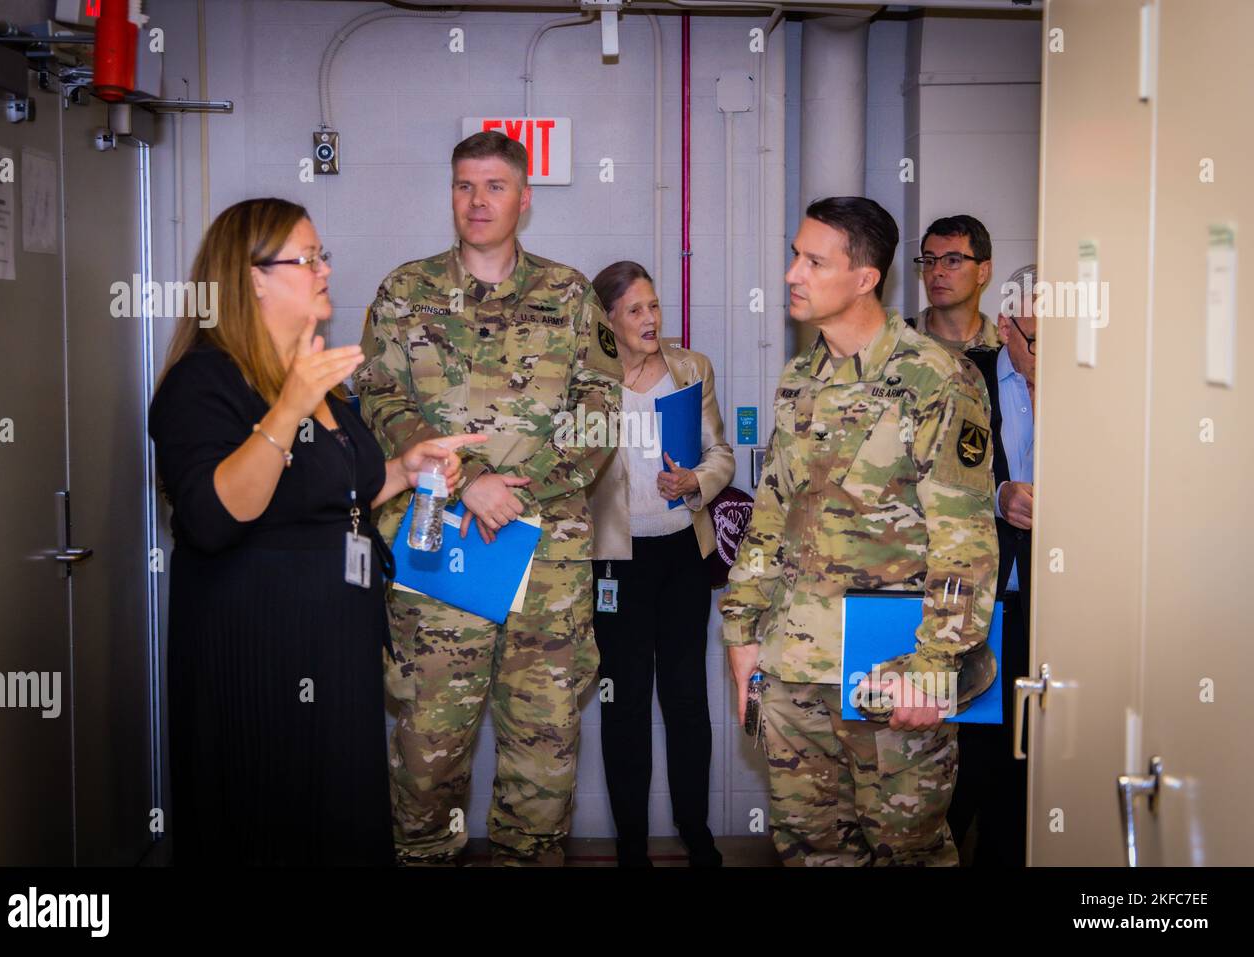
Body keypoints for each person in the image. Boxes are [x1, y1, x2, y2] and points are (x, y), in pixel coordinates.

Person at [149, 197, 480, 865]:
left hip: (336, 653)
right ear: (251, 278)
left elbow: (334, 496)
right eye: (307, 257)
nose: (324, 268)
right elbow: (213, 517)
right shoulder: (205, 381)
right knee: (268, 822)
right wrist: (290, 406)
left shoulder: (310, 382)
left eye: (322, 254)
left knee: (340, 820)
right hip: (257, 657)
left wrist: (404, 469)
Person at [355, 131, 623, 866]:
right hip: (441, 560)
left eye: (495, 186)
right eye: (464, 186)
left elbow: (600, 415)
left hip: (547, 569)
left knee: (542, 767)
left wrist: (518, 492)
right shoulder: (403, 293)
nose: (478, 201)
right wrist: (469, 476)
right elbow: (376, 396)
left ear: (525, 198)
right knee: (426, 759)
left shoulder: (571, 297)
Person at [720, 196, 1000, 867]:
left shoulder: (935, 378)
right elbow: (769, 518)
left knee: (910, 852)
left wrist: (934, 668)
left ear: (865, 278)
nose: (793, 272)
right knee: (812, 852)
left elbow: (965, 541)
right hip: (792, 672)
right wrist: (740, 635)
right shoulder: (799, 380)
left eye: (814, 260)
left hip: (890, 672)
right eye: (795, 254)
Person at [584, 261, 735, 868]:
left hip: (681, 554)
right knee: (623, 702)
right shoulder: (585, 380)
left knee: (686, 696)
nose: (651, 320)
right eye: (636, 310)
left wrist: (695, 478)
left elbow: (721, 452)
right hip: (615, 561)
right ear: (608, 320)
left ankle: (697, 835)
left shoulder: (689, 369)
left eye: (654, 307)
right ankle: (631, 848)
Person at [948, 264, 1037, 867]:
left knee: (1032, 756)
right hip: (987, 595)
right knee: (970, 752)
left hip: (1062, 601)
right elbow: (937, 479)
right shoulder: (966, 380)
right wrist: (1000, 493)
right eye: (1037, 343)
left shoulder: (1099, 384)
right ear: (1005, 327)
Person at [909, 214, 1002, 355]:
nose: (936, 271)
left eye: (952, 260)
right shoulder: (897, 343)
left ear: (983, 272)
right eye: (929, 261)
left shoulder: (1006, 351)